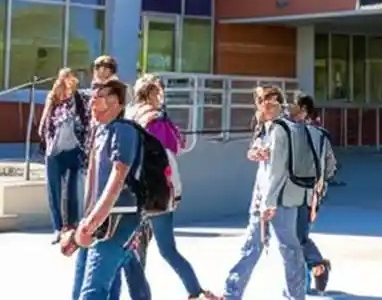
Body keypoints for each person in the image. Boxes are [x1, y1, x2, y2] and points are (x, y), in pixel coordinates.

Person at [212, 86, 308, 300]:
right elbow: (261, 155)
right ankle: (231, 292)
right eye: (264, 102)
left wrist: (268, 202)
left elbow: (278, 170)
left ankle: (295, 295)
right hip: (263, 196)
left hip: (279, 199)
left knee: (288, 248)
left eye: (273, 102)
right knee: (252, 245)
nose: (268, 106)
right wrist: (255, 151)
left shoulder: (282, 129)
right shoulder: (264, 127)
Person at [126, 75, 212, 300]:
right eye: (158, 91)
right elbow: (174, 149)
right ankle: (195, 291)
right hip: (158, 193)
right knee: (167, 249)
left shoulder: (129, 116)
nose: (161, 96)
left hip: (132, 191)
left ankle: (140, 296)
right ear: (150, 94)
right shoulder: (157, 120)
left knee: (133, 251)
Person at [68, 77, 152, 300]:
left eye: (101, 97)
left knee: (92, 290)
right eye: (92, 97)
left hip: (118, 219)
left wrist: (91, 223)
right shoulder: (99, 132)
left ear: (118, 103)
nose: (93, 102)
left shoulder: (123, 131)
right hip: (100, 221)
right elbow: (93, 186)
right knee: (93, 285)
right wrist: (82, 224)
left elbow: (117, 179)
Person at [39, 68, 91, 243]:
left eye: (69, 79)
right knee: (54, 191)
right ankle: (58, 227)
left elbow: (86, 122)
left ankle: (71, 226)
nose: (66, 83)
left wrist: (85, 146)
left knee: (71, 191)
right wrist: (47, 141)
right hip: (54, 152)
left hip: (73, 150)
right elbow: (43, 124)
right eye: (63, 79)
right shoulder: (52, 99)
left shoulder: (78, 99)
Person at [292, 94, 337, 293]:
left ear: (303, 111)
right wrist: (322, 183)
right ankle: (307, 278)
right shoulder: (322, 135)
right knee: (297, 235)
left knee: (298, 237)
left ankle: (317, 265)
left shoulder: (301, 133)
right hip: (313, 193)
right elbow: (331, 166)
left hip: (302, 192)